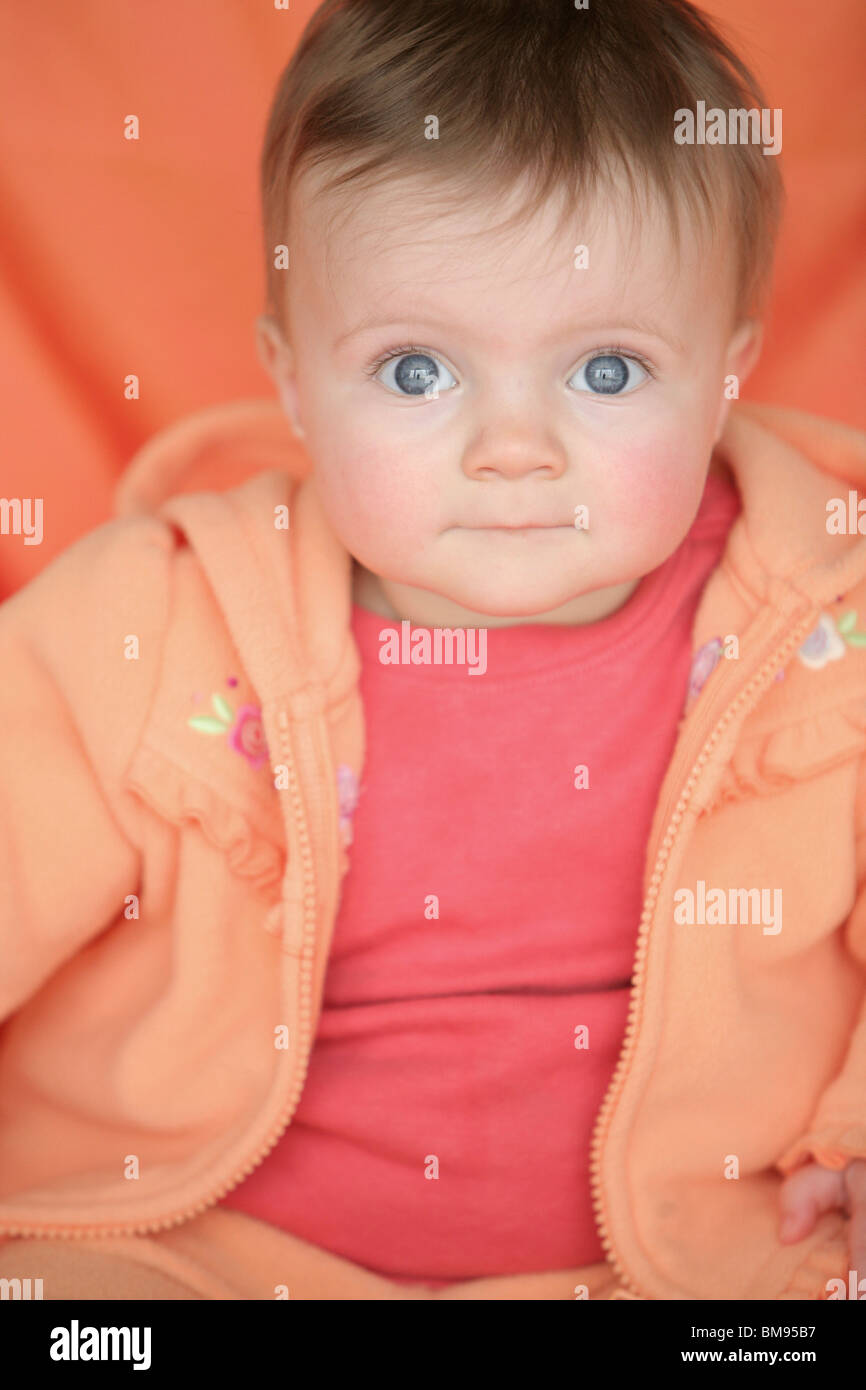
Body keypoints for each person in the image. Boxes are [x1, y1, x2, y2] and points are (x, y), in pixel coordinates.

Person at [1, 0, 864, 1300]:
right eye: (416, 373)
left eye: (608, 372)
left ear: (724, 372)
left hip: (689, 1265)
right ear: (292, 383)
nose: (510, 447)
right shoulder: (154, 626)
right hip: (196, 1248)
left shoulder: (826, 636)